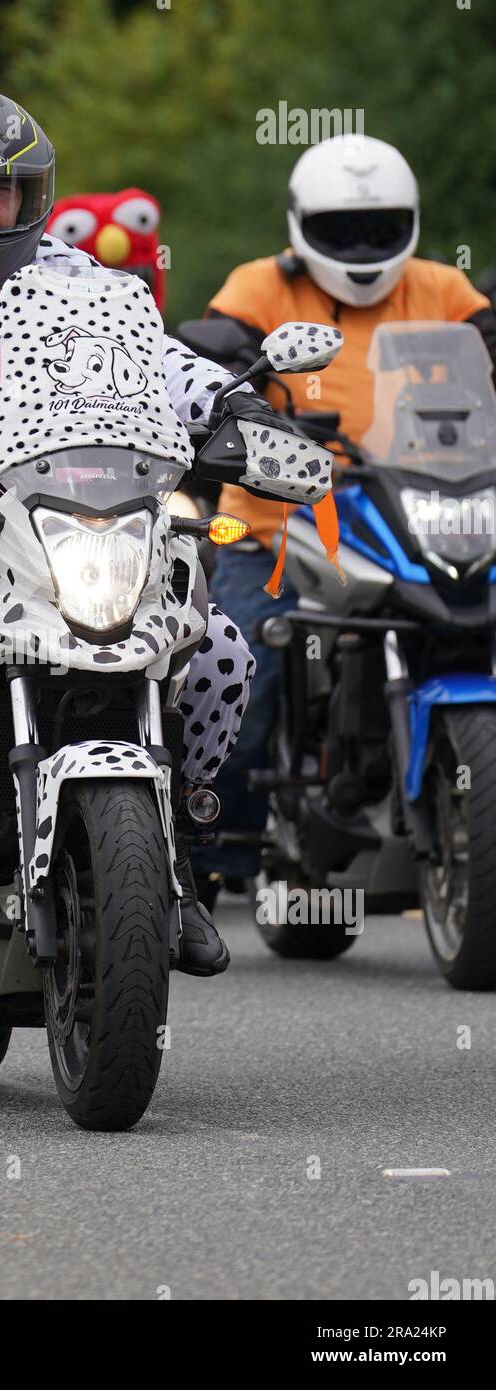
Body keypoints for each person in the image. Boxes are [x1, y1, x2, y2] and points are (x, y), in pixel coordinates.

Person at [0, 87, 330, 980]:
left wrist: (234, 402)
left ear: (33, 199)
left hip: (86, 519)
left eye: (4, 193)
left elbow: (163, 365)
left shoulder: (89, 286)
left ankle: (176, 860)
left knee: (221, 651)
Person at [193, 134, 496, 903]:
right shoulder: (257, 285)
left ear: (412, 222)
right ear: (299, 225)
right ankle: (208, 848)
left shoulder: (441, 287)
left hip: (412, 512)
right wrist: (233, 379)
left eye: (378, 227)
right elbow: (212, 361)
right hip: (274, 530)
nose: (361, 248)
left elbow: (484, 354)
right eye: (340, 230)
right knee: (239, 679)